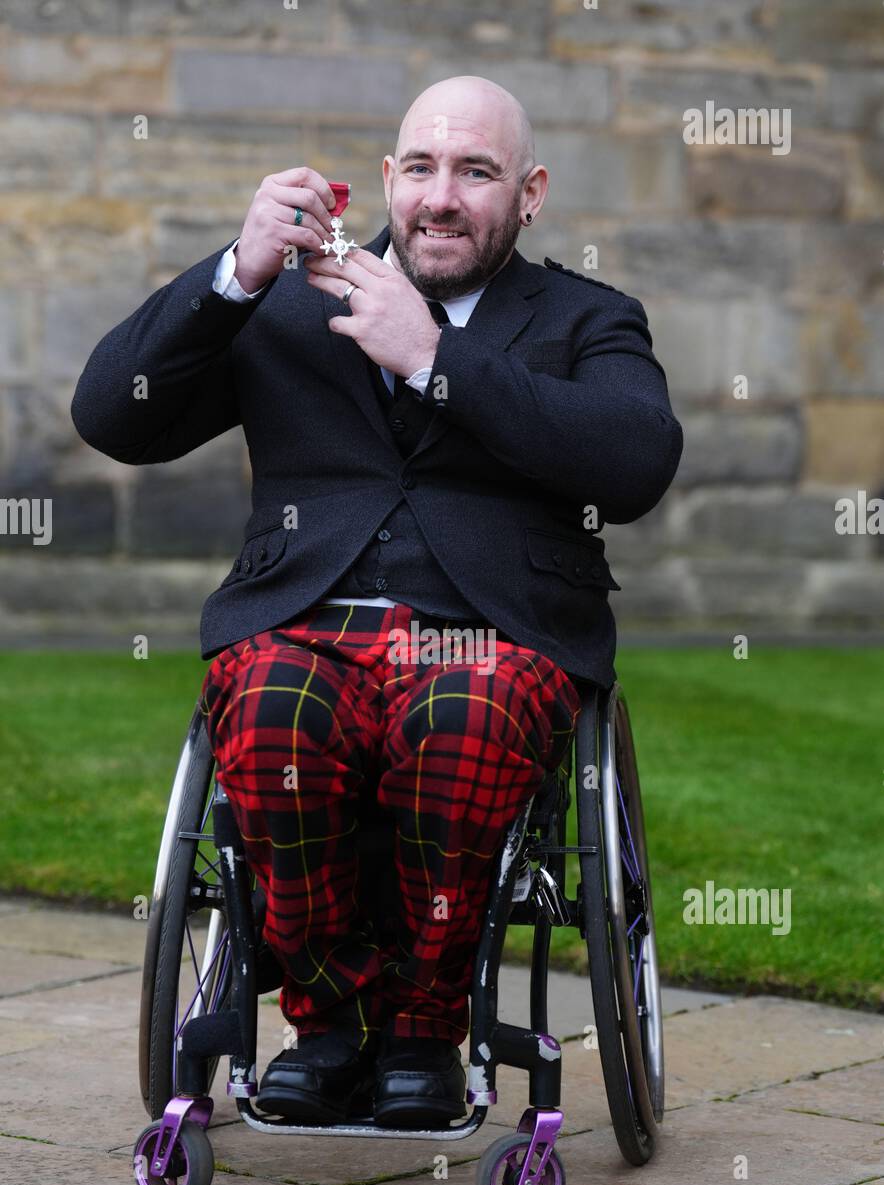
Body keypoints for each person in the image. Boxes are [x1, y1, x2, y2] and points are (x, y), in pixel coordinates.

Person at [71, 74, 683, 1129]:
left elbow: (634, 463)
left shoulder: (586, 318)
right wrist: (232, 272)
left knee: (461, 714)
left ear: (528, 193)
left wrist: (436, 358)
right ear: (389, 180)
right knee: (265, 709)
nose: (442, 197)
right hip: (306, 620)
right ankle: (328, 1024)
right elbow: (111, 415)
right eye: (423, 168)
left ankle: (419, 1031)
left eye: (476, 173)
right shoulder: (287, 305)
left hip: (491, 634)